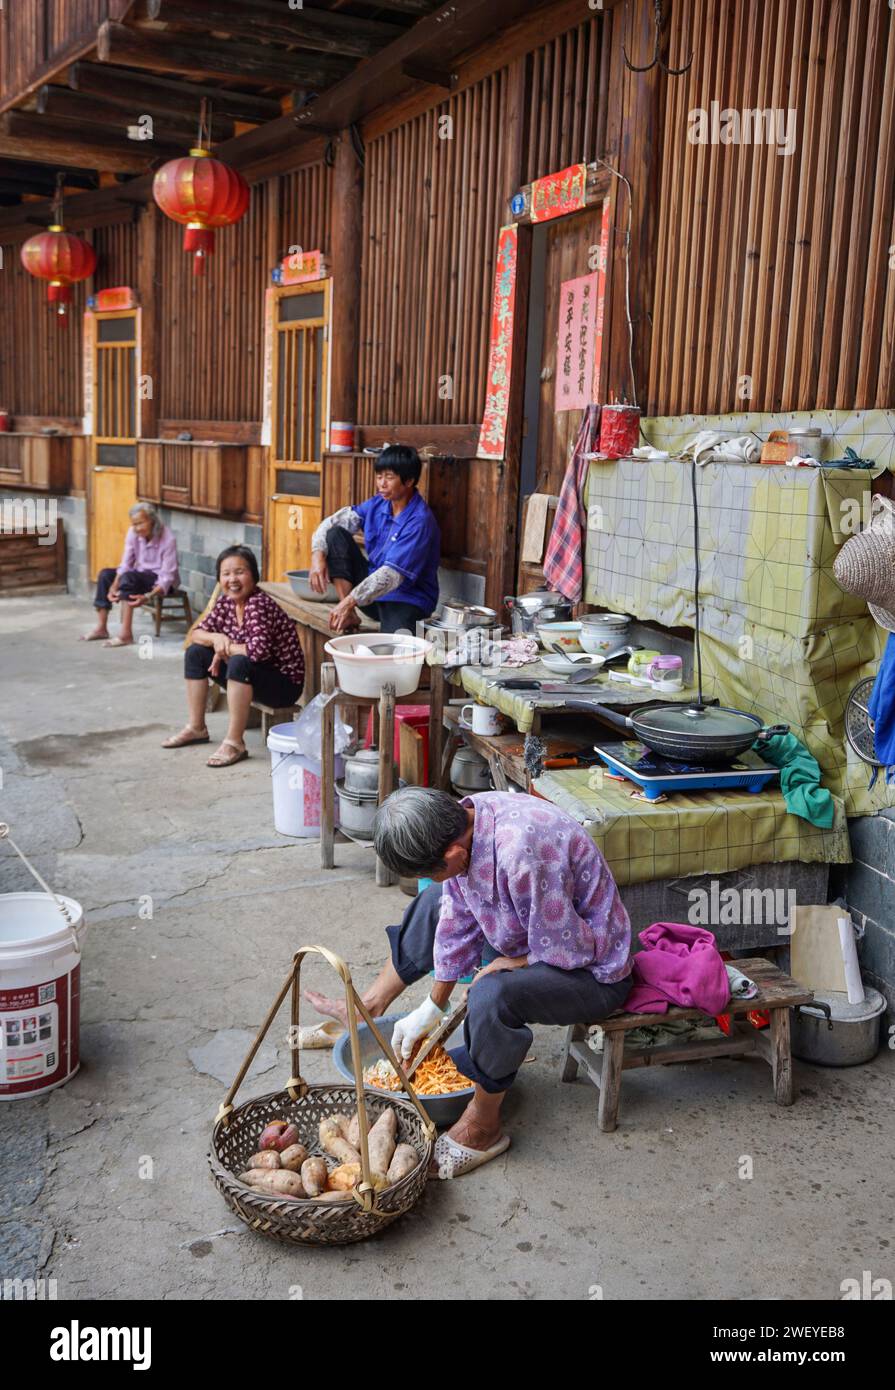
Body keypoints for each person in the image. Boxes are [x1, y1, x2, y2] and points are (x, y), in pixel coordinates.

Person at [307, 787, 632, 1180]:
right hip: (533, 931)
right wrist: (433, 1005)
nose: (434, 877)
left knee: (491, 994)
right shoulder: (465, 815)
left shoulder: (521, 853)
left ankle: (484, 1125)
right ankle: (370, 1008)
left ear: (454, 855)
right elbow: (457, 913)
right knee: (434, 903)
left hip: (591, 970)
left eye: (432, 870)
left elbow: (571, 949)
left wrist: (510, 963)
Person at [162, 545, 304, 768]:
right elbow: (196, 634)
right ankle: (197, 727)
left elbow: (258, 651)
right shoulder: (226, 603)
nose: (232, 579)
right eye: (226, 573)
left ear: (253, 576)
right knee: (195, 653)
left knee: (240, 662)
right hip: (255, 675)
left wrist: (224, 648)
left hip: (283, 685)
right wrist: (217, 638)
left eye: (240, 572)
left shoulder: (259, 603)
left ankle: (235, 743)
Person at [308, 444, 440, 634]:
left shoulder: (420, 520)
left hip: (407, 598)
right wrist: (317, 556)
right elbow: (333, 522)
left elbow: (391, 576)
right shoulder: (378, 503)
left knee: (394, 646)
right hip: (371, 597)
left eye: (389, 477)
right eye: (379, 476)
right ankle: (349, 615)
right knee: (335, 535)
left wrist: (348, 601)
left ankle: (347, 608)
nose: (381, 484)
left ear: (409, 480)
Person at [82, 503, 179, 648]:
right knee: (105, 575)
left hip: (159, 581)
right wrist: (113, 587)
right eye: (134, 524)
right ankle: (101, 628)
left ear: (152, 520)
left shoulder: (168, 538)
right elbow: (126, 563)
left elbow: (167, 578)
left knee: (128, 578)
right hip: (138, 573)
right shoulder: (133, 533)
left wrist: (148, 596)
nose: (137, 528)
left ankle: (125, 635)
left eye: (141, 523)